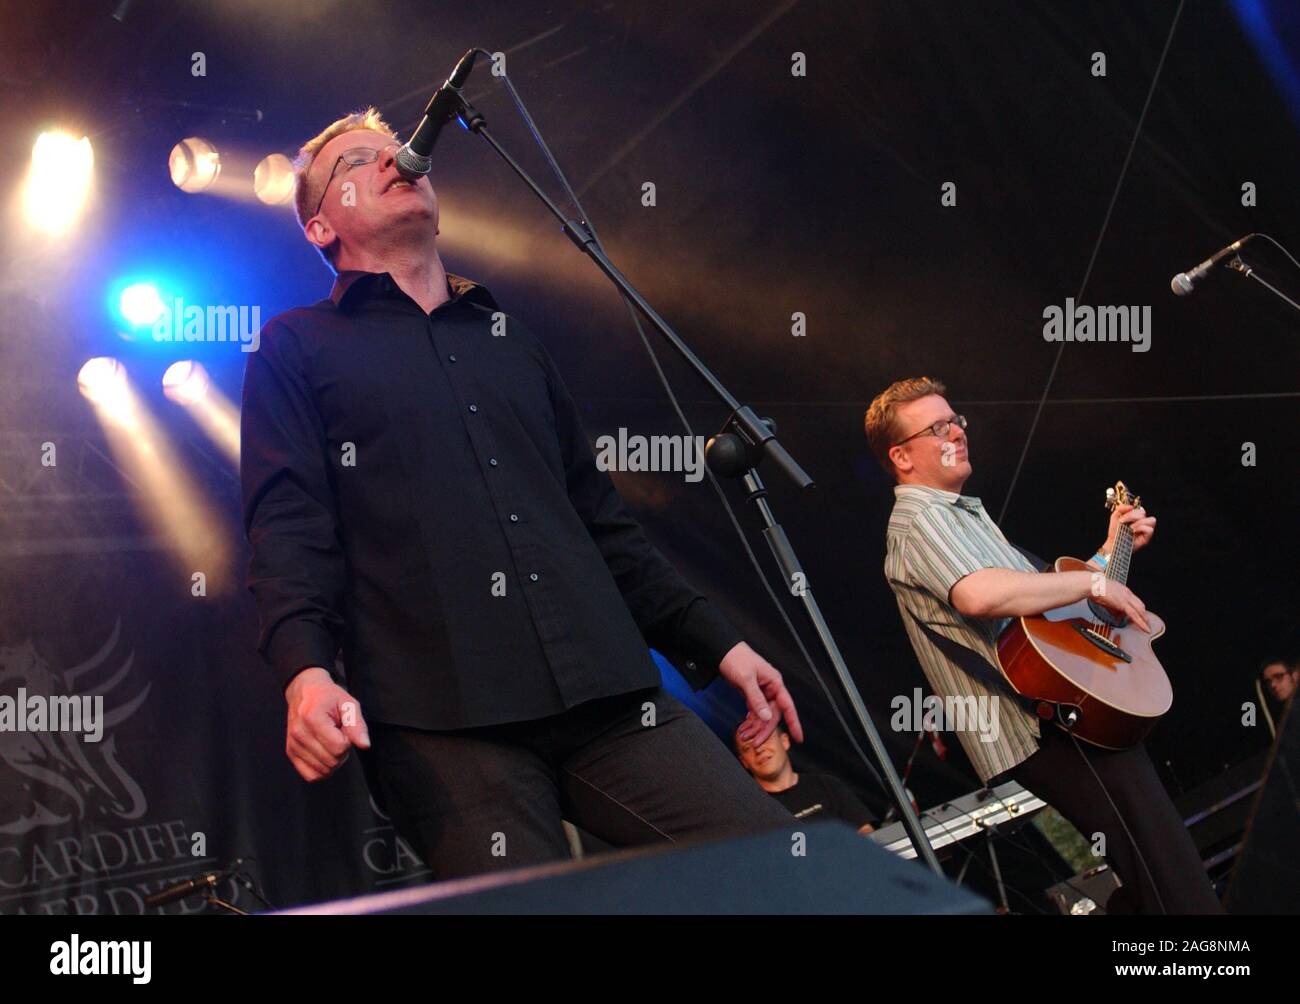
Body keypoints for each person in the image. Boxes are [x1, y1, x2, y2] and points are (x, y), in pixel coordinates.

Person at [240, 107, 801, 881]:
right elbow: (288, 524)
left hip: (606, 692)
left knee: (791, 873)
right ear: (320, 228)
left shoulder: (510, 339)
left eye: (396, 149)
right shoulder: (296, 346)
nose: (396, 160)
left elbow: (600, 520)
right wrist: (306, 669)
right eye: (356, 163)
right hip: (441, 720)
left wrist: (717, 640)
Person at [866, 376, 1222, 914]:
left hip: (1060, 707)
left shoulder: (957, 514)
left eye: (956, 420)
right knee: (1163, 866)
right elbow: (979, 595)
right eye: (938, 427)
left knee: (1156, 865)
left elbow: (1043, 616)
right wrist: (1092, 581)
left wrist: (1107, 555)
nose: (957, 432)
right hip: (1040, 721)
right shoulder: (919, 520)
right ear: (902, 455)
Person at [735, 720, 877, 833]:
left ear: (784, 741)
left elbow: (865, 831)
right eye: (748, 747)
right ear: (743, 762)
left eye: (764, 738)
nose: (759, 749)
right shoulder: (748, 810)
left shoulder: (826, 785)